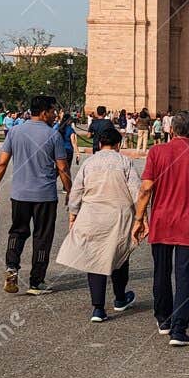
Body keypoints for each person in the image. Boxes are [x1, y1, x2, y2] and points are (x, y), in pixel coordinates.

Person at [131, 111, 189, 346]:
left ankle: (163, 320)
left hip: (161, 223)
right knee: (185, 278)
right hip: (188, 226)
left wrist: (139, 219)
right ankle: (179, 330)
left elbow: (145, 190)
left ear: (170, 130)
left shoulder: (156, 152)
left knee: (161, 273)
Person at [0, 94, 72, 295]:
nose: (55, 115)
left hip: (20, 193)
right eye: (52, 111)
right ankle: (37, 281)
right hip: (45, 196)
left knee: (17, 231)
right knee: (42, 237)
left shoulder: (15, 131)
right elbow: (62, 168)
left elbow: (2, 162)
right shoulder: (53, 135)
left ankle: (11, 267)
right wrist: (70, 190)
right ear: (44, 113)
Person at [56, 123, 139, 323]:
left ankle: (98, 309)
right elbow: (137, 192)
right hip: (118, 216)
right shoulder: (125, 162)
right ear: (118, 144)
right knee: (120, 256)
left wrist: (73, 214)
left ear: (100, 143)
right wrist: (141, 217)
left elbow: (76, 191)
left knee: (95, 259)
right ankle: (120, 298)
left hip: (92, 215)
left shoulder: (89, 163)